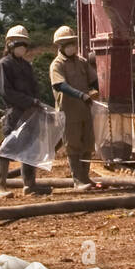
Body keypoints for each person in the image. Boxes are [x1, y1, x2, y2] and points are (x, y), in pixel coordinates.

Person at [0, 25, 49, 198]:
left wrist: (36, 103)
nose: (23, 47)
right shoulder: (4, 65)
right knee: (7, 148)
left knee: (30, 148)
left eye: (25, 44)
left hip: (30, 112)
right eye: (19, 43)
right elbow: (7, 92)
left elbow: (34, 87)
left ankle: (30, 185)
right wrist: (29, 101)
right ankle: (0, 187)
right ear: (9, 44)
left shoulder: (26, 66)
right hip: (15, 112)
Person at [49, 26, 100, 191]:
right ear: (60, 46)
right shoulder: (57, 65)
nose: (72, 46)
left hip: (85, 110)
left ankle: (86, 177)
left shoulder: (82, 62)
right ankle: (77, 180)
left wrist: (94, 90)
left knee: (87, 144)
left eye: (73, 42)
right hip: (68, 112)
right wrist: (81, 95)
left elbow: (93, 79)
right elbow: (60, 85)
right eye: (68, 43)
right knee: (73, 145)